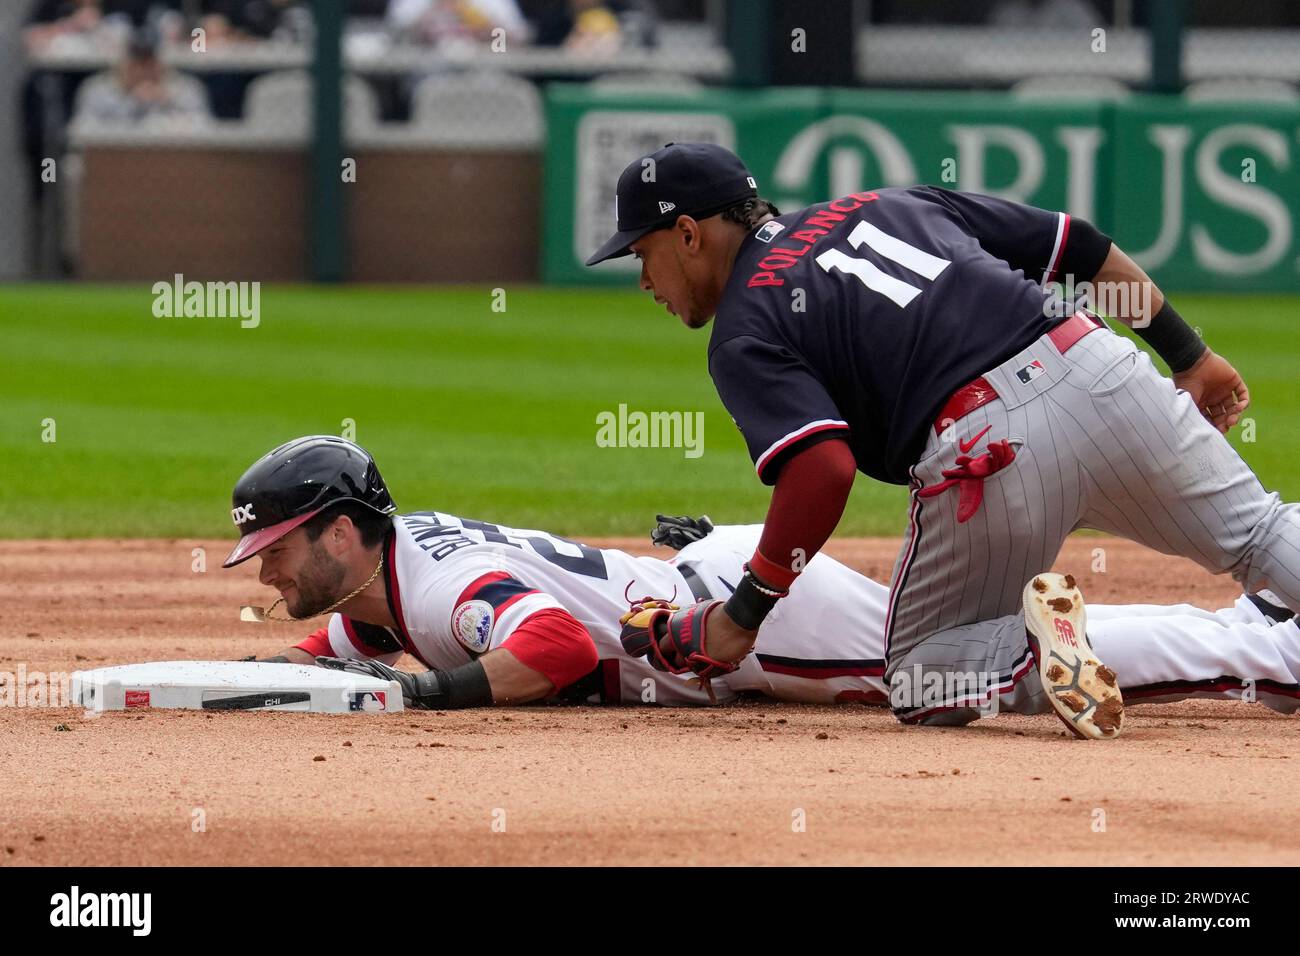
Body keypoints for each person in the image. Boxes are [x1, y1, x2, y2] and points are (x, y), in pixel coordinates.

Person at [582, 141, 1300, 739]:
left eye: (641, 253)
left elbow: (823, 470)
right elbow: (1076, 247)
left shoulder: (743, 329)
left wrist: (742, 616)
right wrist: (1189, 357)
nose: (643, 278)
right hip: (1098, 365)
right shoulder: (885, 204)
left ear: (687, 234)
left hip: (990, 449)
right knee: (1261, 536)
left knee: (921, 673)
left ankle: (1035, 653)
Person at [224, 436, 1300, 720]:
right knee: (975, 658)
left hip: (734, 621)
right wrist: (273, 673)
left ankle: (1270, 645)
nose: (262, 565)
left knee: (998, 676)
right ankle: (1254, 610)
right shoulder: (390, 583)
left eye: (272, 545)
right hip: (721, 583)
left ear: (339, 530)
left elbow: (548, 645)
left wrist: (424, 694)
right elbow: (352, 649)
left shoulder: (441, 588)